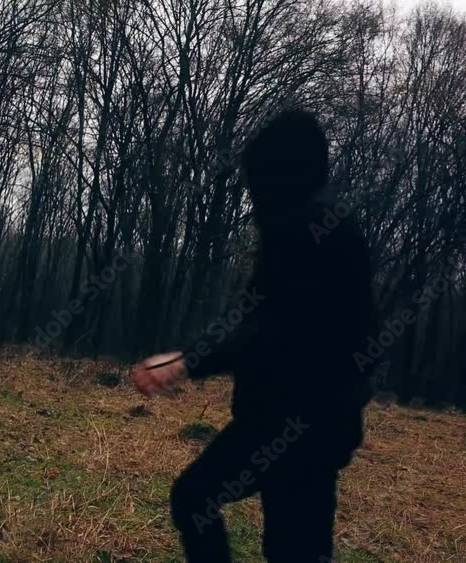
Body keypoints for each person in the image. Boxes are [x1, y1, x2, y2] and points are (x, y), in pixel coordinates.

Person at [130, 110, 377, 562]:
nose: (253, 193)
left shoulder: (316, 229)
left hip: (301, 425)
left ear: (282, 173)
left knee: (208, 504)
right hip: (293, 422)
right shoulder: (309, 225)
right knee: (225, 513)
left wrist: (188, 361)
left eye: (259, 179)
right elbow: (258, 317)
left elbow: (274, 330)